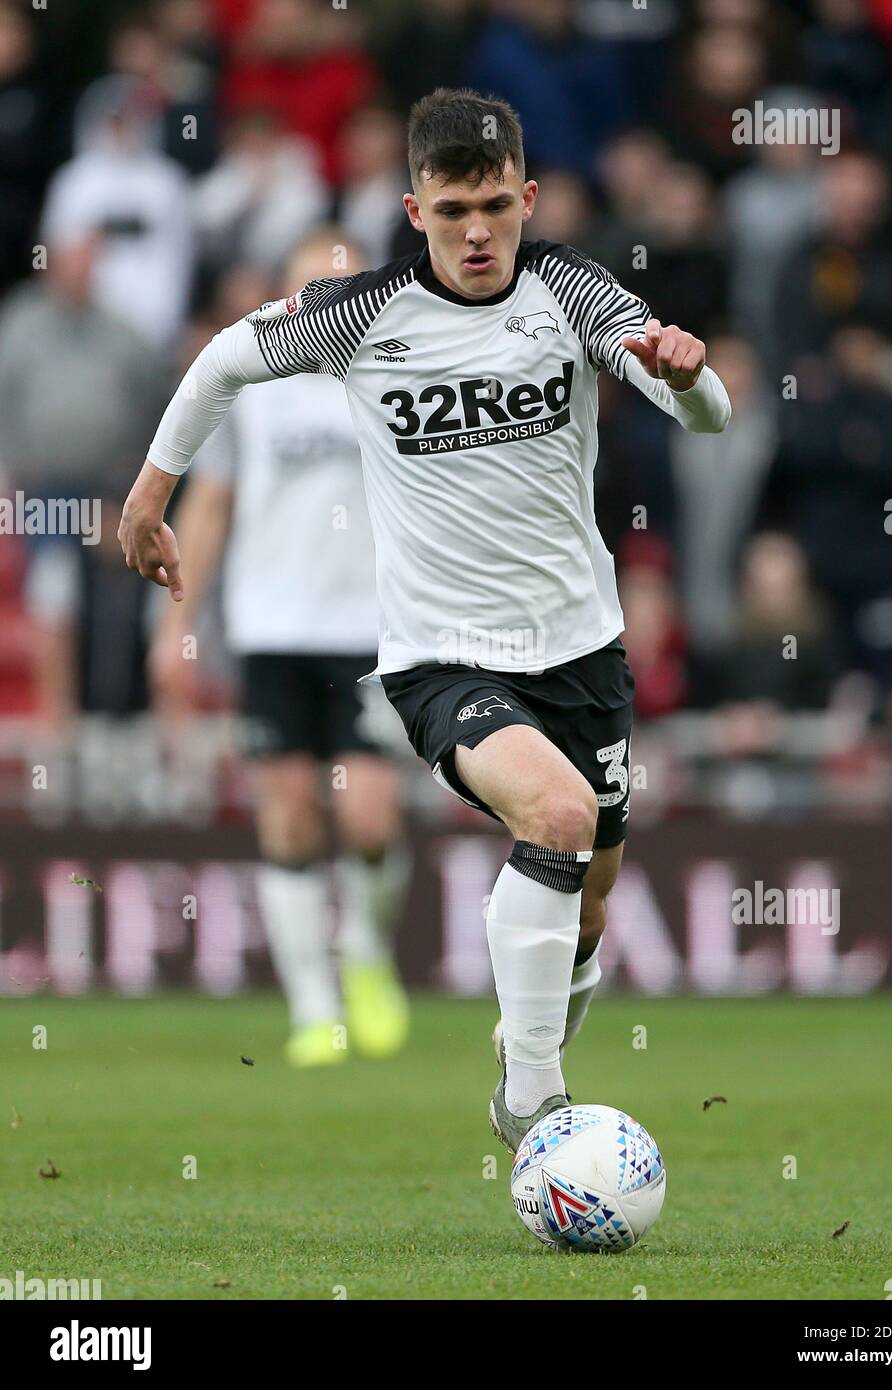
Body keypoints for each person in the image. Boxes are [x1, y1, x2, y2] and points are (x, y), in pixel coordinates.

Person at [119, 87, 731, 1153]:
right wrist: (147, 495)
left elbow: (695, 406)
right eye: (453, 211)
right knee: (554, 813)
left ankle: (526, 1047)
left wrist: (695, 380)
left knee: (587, 908)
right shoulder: (363, 314)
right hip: (441, 657)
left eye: (496, 204)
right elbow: (222, 359)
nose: (478, 230)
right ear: (414, 210)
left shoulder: (572, 292)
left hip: (581, 649)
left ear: (529, 197)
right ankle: (535, 1103)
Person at [148, 228, 411, 1067]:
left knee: (369, 818)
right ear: (284, 296)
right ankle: (313, 1007)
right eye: (306, 287)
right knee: (290, 815)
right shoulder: (248, 387)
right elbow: (214, 503)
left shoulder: (390, 378)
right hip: (272, 627)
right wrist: (175, 625)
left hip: (372, 631)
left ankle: (365, 948)